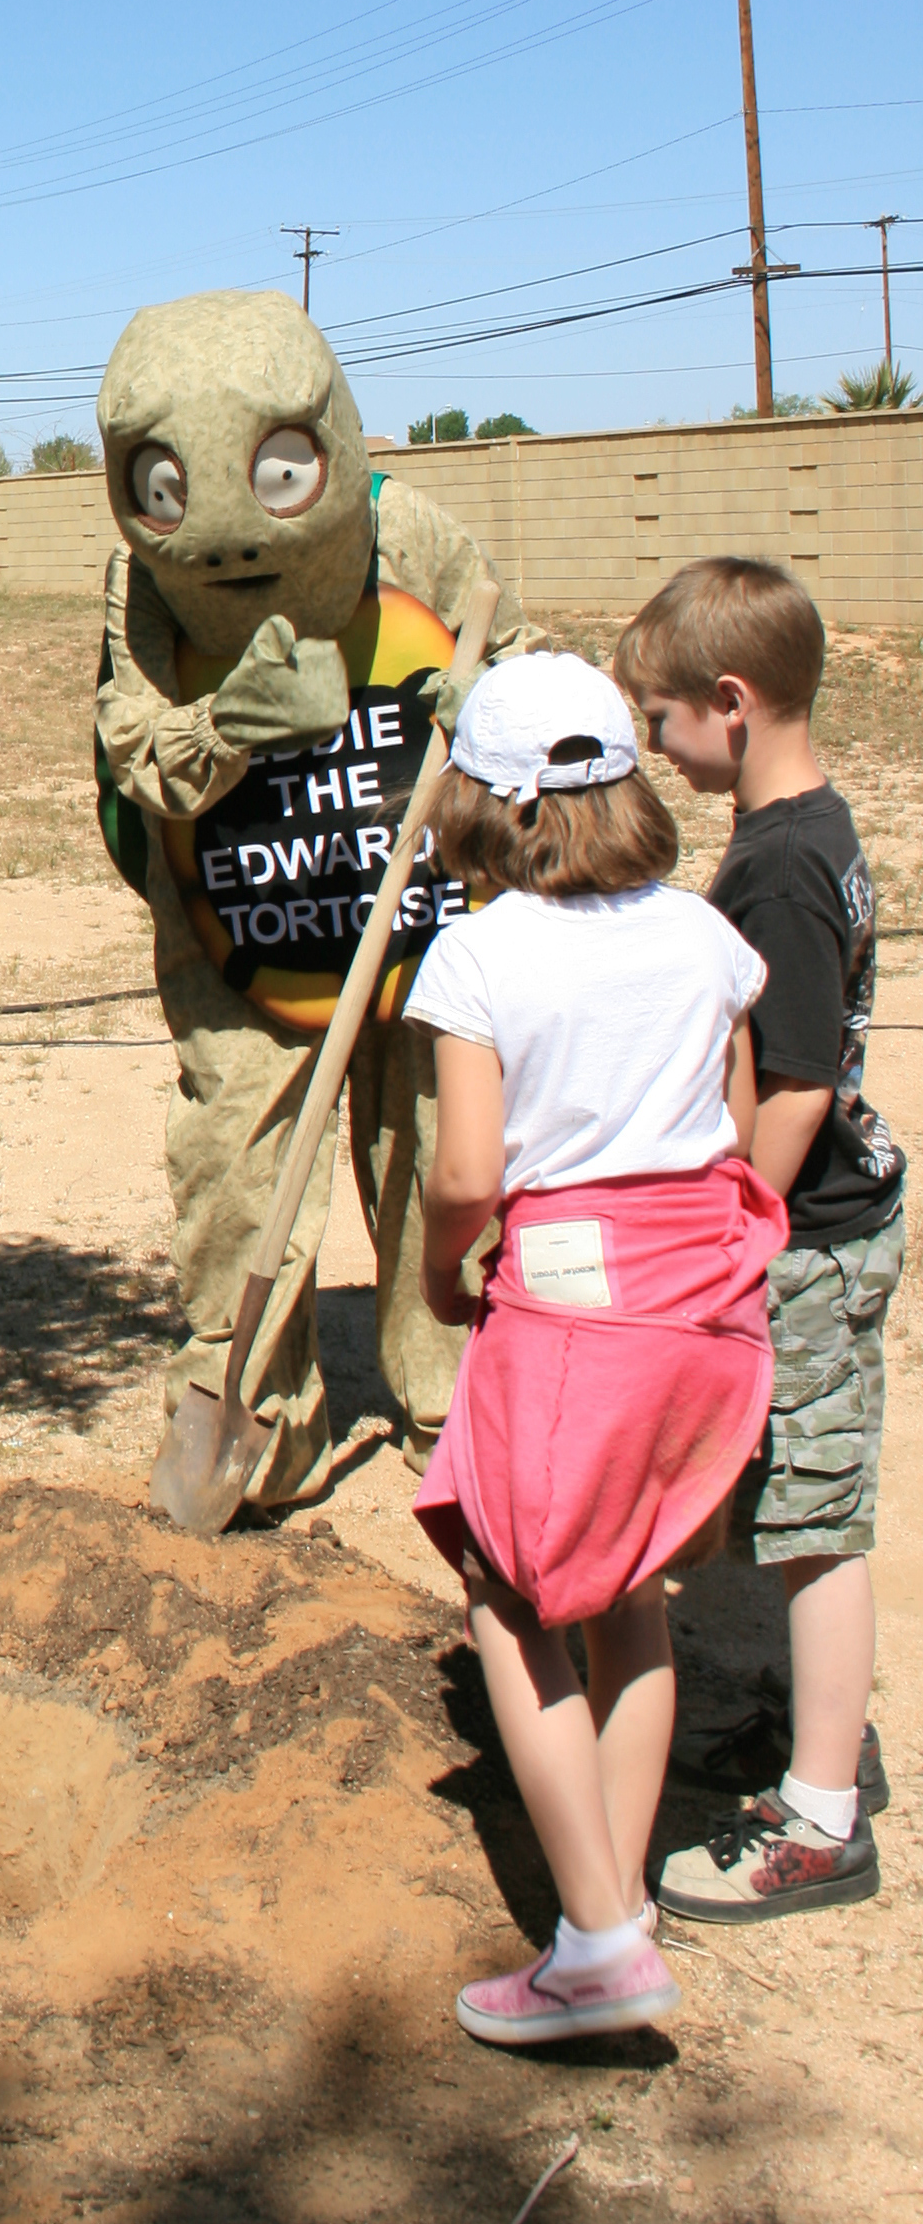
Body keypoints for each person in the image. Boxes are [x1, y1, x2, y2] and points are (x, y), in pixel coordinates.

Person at [401, 653, 782, 2049]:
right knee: (634, 1597)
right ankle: (609, 1907)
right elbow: (732, 1122)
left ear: (484, 807)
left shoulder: (482, 955)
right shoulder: (701, 936)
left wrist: (446, 1278)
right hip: (705, 1309)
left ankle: (603, 1942)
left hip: (574, 1307)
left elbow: (462, 1176)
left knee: (510, 1601)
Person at [94, 293, 515, 1505]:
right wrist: (229, 724)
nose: (222, 546)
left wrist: (478, 709)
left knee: (431, 1147)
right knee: (236, 1168)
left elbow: (531, 693)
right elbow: (135, 751)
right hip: (241, 929)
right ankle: (259, 1414)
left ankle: (453, 1393)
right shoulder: (143, 588)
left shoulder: (417, 539)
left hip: (413, 920)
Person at [618, 558, 905, 1923]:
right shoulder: (809, 825)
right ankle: (806, 1732)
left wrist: (734, 1229)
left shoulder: (781, 868)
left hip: (809, 1231)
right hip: (827, 1217)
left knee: (811, 1523)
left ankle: (821, 1820)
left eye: (664, 718)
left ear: (731, 704)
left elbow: (792, 1082)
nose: (656, 748)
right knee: (791, 1494)